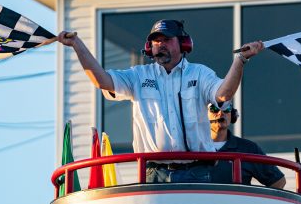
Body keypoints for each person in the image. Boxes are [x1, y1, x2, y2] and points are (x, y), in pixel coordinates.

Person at [56, 20, 264, 183]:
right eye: (156, 41)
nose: (160, 45)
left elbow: (223, 95)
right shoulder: (138, 75)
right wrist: (77, 45)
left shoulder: (199, 73)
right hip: (152, 173)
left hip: (198, 171)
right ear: (149, 46)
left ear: (183, 43)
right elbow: (102, 81)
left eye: (166, 40)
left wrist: (240, 60)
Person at [207, 103, 286, 188]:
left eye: (226, 109)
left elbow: (278, 182)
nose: (221, 113)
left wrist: (254, 197)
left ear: (232, 115)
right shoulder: (195, 146)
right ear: (202, 115)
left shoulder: (248, 148)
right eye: (214, 109)